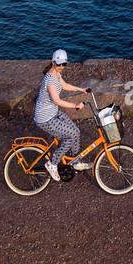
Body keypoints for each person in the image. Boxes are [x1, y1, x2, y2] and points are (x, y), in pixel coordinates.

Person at [34, 48, 89, 183]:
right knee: (70, 136)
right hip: (45, 118)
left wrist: (81, 89)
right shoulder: (50, 79)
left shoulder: (56, 74)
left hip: (53, 112)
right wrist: (75, 105)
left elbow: (64, 85)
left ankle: (75, 161)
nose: (61, 67)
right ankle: (52, 164)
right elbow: (57, 100)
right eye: (59, 64)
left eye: (64, 64)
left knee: (76, 131)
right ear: (53, 63)